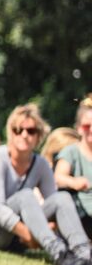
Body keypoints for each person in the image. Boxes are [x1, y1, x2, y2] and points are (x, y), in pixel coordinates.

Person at [0, 104, 90, 265]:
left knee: (62, 198)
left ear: (39, 135)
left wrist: (47, 227)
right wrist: (29, 234)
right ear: (11, 133)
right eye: (18, 130)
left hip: (14, 233)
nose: (24, 135)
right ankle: (58, 252)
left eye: (31, 131)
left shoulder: (40, 164)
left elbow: (53, 204)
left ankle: (84, 253)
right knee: (25, 196)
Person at [54, 95, 92, 236]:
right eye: (87, 126)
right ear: (78, 127)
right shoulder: (71, 151)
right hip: (81, 214)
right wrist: (74, 182)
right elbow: (58, 177)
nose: (91, 130)